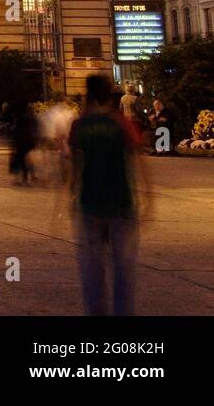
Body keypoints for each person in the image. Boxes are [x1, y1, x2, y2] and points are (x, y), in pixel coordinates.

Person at [68, 74, 149, 316]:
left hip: (89, 202)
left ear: (89, 95)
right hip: (121, 202)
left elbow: (75, 168)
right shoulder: (121, 123)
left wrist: (69, 197)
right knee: (123, 267)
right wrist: (150, 197)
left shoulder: (79, 126)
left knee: (92, 268)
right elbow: (139, 161)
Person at [9, 101, 39, 184]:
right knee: (25, 159)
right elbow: (35, 130)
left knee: (22, 160)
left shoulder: (22, 119)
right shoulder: (32, 118)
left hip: (22, 142)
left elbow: (17, 131)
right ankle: (29, 176)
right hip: (29, 142)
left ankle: (24, 177)